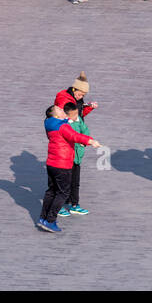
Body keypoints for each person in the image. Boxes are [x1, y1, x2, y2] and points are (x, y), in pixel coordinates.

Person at [37, 102, 100, 233]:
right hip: (62, 163)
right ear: (55, 115)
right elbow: (75, 136)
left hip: (51, 163)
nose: (61, 109)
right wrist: (91, 141)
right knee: (63, 193)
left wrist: (66, 119)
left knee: (51, 191)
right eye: (59, 109)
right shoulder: (63, 127)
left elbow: (64, 124)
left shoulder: (49, 124)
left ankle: (43, 218)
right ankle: (50, 220)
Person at [54, 74, 99, 214]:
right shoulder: (63, 99)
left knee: (75, 175)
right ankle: (60, 205)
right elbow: (62, 119)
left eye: (84, 95)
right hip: (66, 143)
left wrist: (88, 108)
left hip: (77, 142)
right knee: (65, 177)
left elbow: (79, 116)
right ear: (74, 89)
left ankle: (74, 204)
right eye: (80, 94)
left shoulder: (76, 99)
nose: (81, 96)